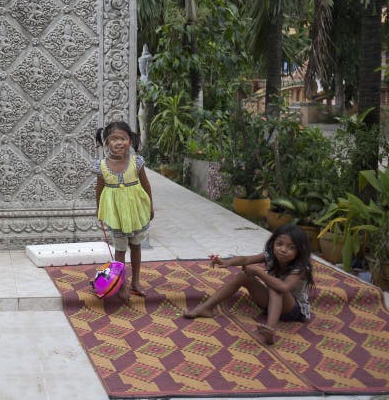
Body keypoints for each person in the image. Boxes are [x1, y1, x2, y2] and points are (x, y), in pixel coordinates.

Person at [183, 223, 314, 345]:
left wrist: (258, 272)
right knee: (244, 275)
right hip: (271, 304)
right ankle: (206, 307)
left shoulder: (301, 267)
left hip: (293, 310)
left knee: (276, 288)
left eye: (291, 247)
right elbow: (247, 259)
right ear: (273, 243)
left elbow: (284, 287)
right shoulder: (271, 255)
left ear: (299, 251)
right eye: (279, 244)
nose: (283, 250)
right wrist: (227, 262)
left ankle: (270, 329)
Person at [94, 121, 154, 302]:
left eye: (123, 138)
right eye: (114, 139)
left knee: (136, 245)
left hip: (136, 213)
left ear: (130, 141)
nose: (119, 142)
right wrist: (99, 210)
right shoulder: (102, 166)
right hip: (117, 215)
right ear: (106, 142)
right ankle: (121, 283)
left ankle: (136, 281)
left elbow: (146, 185)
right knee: (120, 249)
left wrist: (150, 206)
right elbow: (99, 190)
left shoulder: (136, 162)